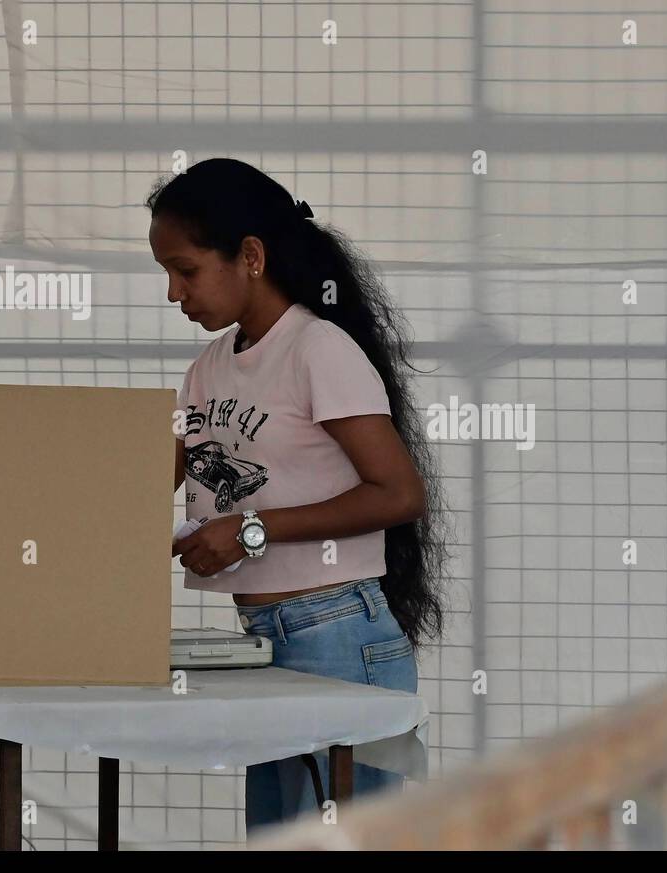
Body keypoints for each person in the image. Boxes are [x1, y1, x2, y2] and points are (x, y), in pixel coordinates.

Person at [147, 158, 447, 832]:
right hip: (263, 643)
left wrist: (249, 529)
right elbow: (148, 487)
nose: (174, 293)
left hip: (339, 637)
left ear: (250, 256)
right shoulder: (206, 369)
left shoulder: (318, 349)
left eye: (186, 270)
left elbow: (399, 493)